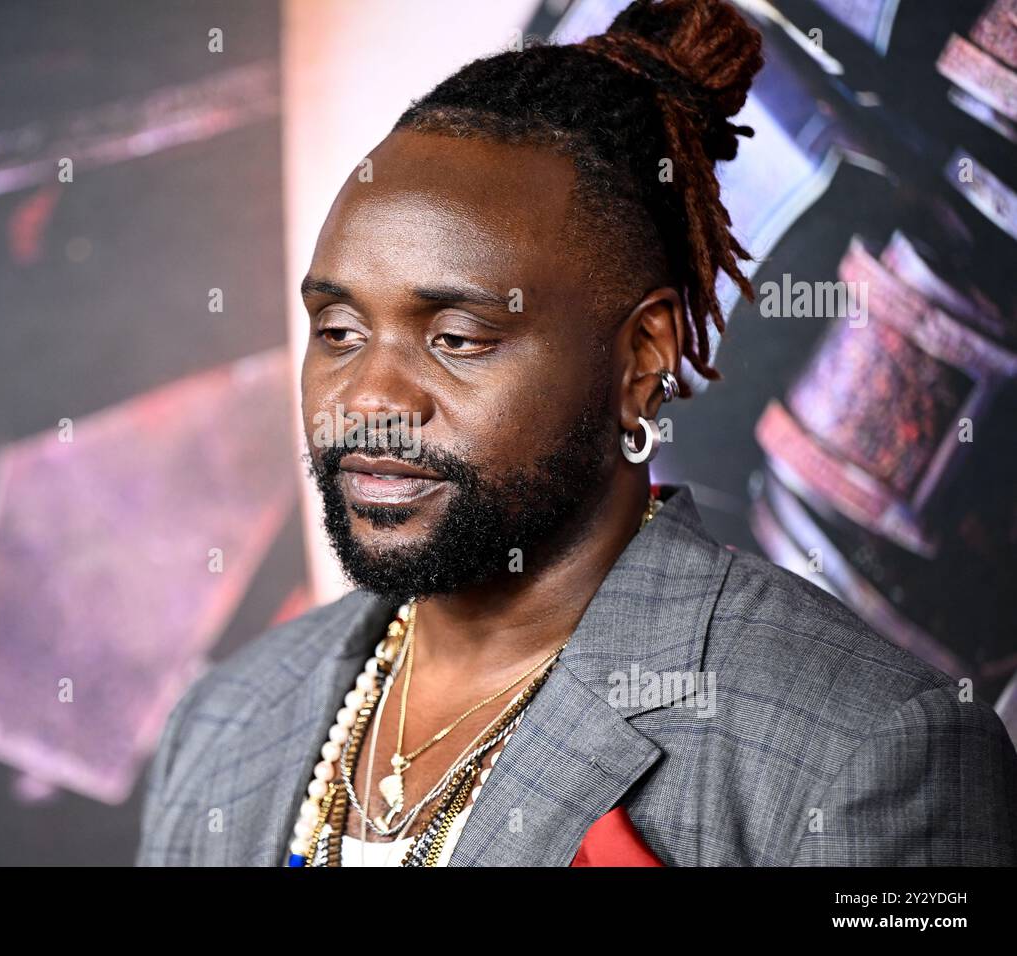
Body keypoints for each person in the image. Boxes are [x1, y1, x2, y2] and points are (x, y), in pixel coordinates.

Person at [136, 0, 1017, 866]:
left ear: (641, 362)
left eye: (456, 339)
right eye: (339, 332)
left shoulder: (869, 753)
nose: (370, 399)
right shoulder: (225, 723)